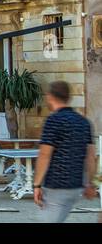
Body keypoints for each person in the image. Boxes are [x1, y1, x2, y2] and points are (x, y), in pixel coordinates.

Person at [32, 80, 97, 222]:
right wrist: (89, 183)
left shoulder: (53, 121)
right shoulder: (84, 122)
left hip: (57, 185)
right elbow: (91, 157)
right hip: (75, 186)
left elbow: (44, 155)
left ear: (50, 96)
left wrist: (36, 184)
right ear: (68, 97)